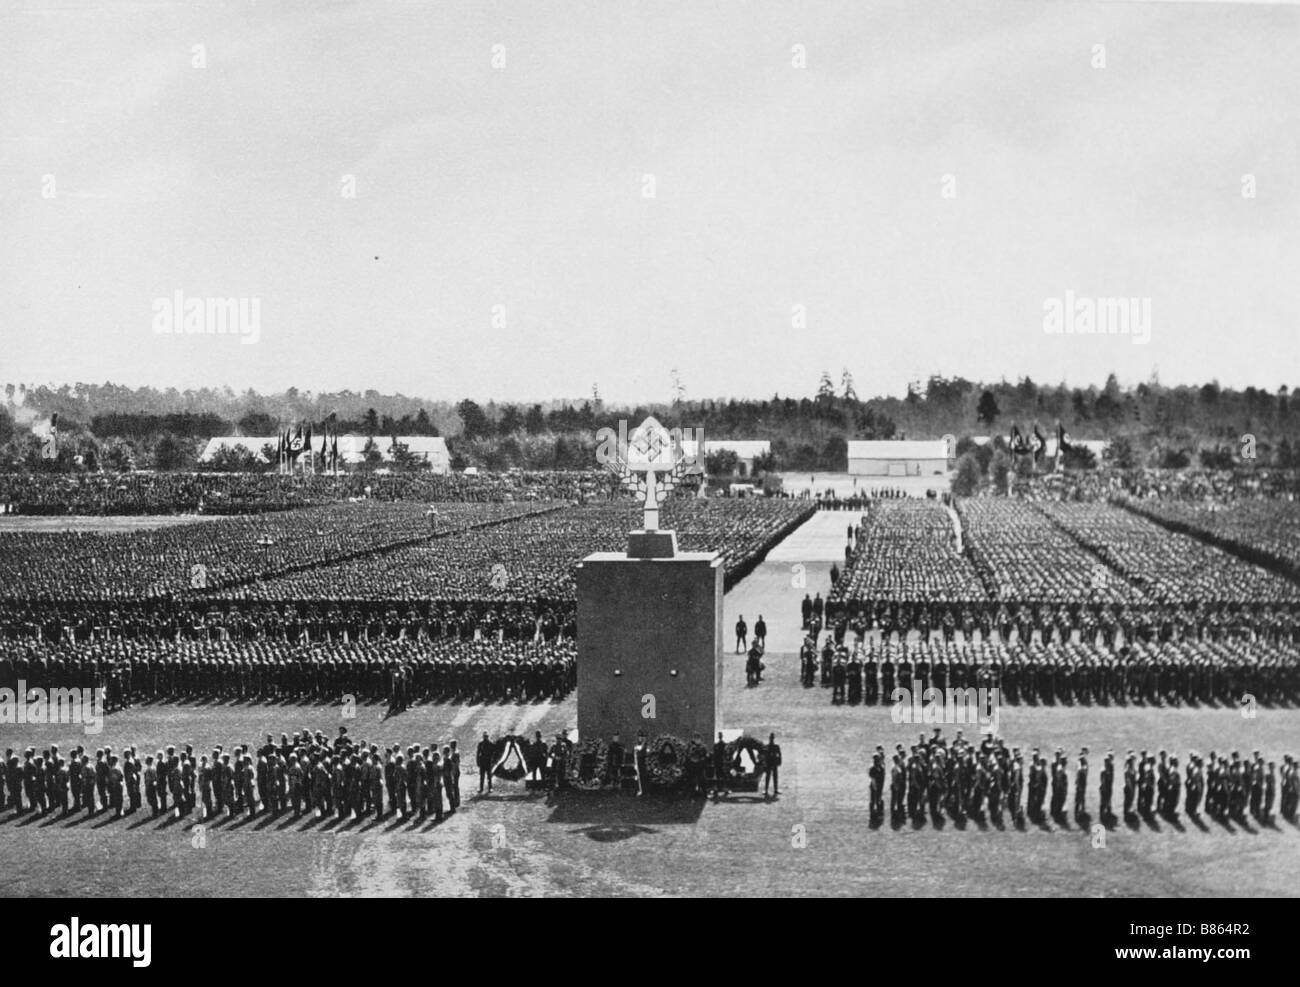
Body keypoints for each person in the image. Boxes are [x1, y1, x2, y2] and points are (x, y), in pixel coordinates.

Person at [762, 733, 781, 799]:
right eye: (771, 738)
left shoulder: (776, 747)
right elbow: (764, 756)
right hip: (769, 763)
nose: (771, 740)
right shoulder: (767, 747)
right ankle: (766, 790)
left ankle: (775, 789)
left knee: (775, 777)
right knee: (768, 777)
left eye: (772, 738)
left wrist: (779, 761)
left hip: (774, 763)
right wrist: (765, 763)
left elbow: (779, 755)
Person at [712, 733, 729, 798]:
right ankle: (718, 789)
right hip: (720, 762)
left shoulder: (720, 745)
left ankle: (720, 789)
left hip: (720, 762)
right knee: (720, 776)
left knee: (720, 776)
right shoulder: (723, 745)